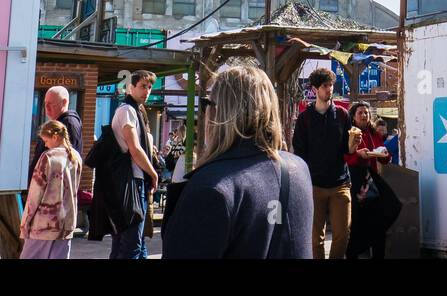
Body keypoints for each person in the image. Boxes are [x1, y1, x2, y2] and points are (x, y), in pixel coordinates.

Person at [163, 65, 313, 258]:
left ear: (219, 112)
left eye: (206, 103)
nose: (205, 111)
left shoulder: (212, 187)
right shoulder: (299, 169)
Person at [291, 67, 352, 259]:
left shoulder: (343, 115)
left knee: (342, 234)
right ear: (316, 89)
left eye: (331, 85)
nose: (329, 89)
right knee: (314, 238)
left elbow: (348, 151)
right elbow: (299, 152)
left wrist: (353, 145)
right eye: (325, 86)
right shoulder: (305, 118)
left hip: (340, 184)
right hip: (313, 185)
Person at [110, 70, 160, 259]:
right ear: (131, 87)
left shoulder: (138, 111)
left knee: (134, 242)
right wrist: (153, 174)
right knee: (131, 243)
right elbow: (135, 149)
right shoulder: (127, 110)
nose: (146, 91)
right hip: (131, 182)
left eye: (149, 87)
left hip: (134, 181)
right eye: (142, 86)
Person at [345, 102, 402, 259]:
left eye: (366, 113)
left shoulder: (374, 133)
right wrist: (358, 155)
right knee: (356, 221)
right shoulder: (348, 133)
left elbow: (383, 155)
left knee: (387, 210)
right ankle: (353, 253)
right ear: (354, 117)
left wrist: (385, 155)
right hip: (354, 180)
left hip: (372, 179)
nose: (364, 115)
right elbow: (346, 158)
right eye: (360, 113)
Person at [20, 119, 83, 259]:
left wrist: (25, 222)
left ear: (55, 137)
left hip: (44, 224)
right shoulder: (76, 157)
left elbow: (35, 194)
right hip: (66, 222)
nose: (46, 145)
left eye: (46, 141)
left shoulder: (48, 157)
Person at [29, 86, 84, 180]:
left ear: (64, 102)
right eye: (45, 104)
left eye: (51, 104)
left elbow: (67, 160)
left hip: (54, 188)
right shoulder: (58, 123)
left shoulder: (69, 124)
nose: (46, 108)